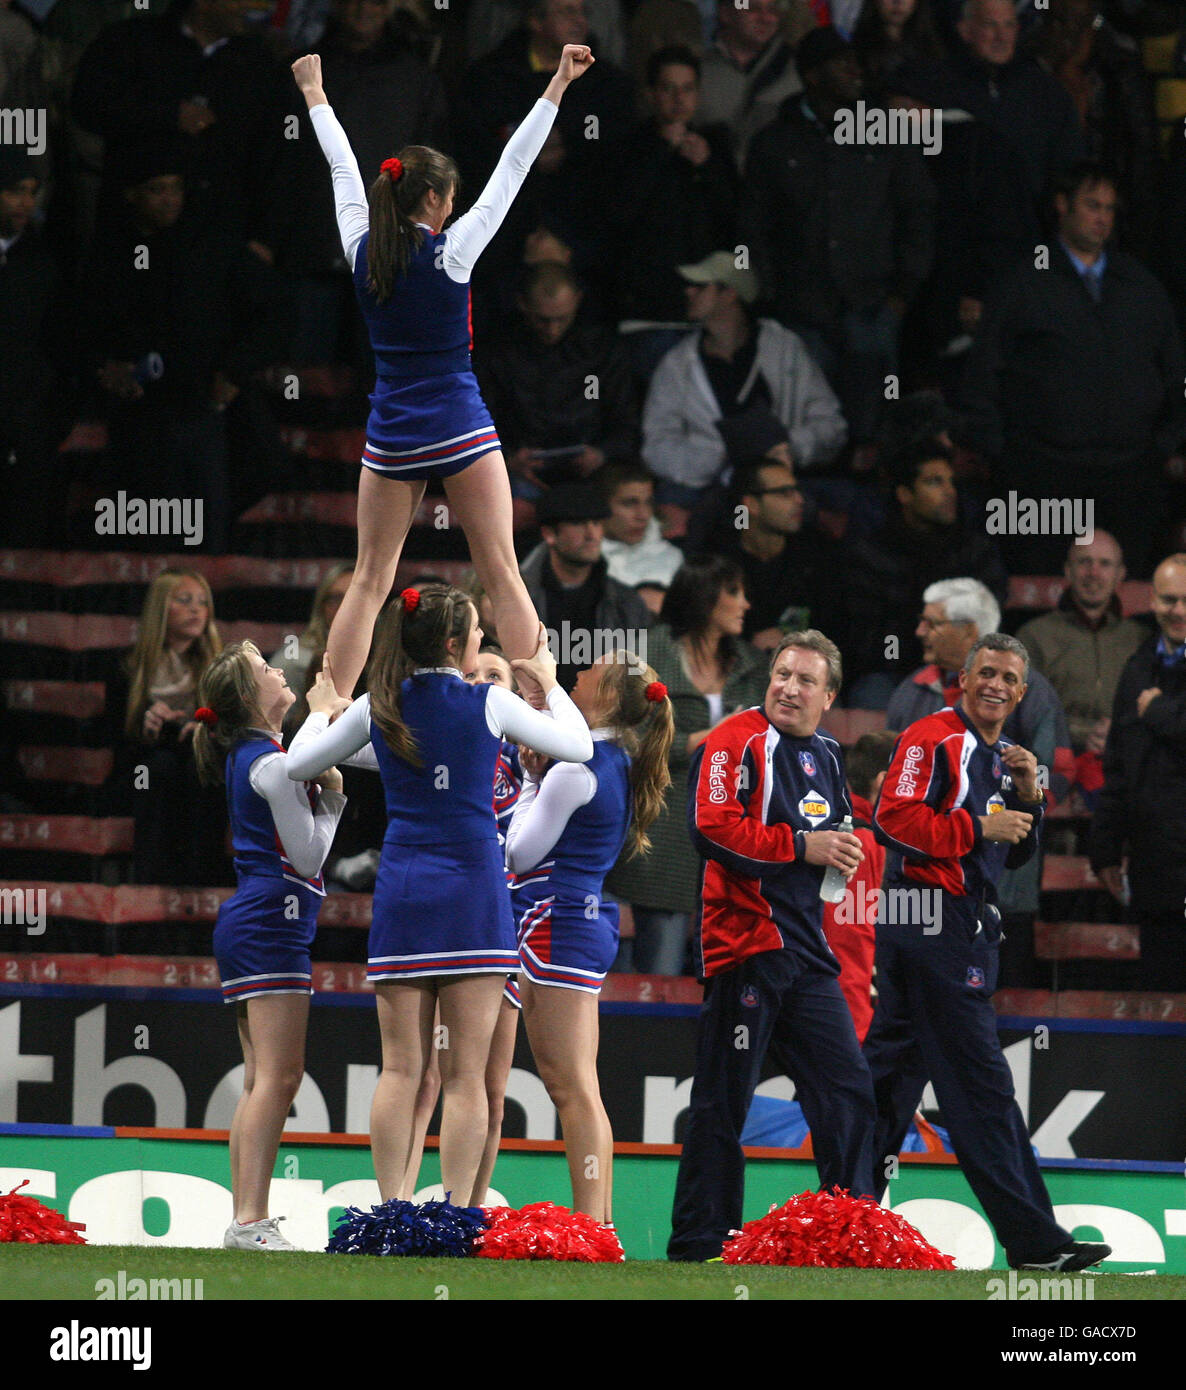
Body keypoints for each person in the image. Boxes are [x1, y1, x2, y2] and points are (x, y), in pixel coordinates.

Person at [291, 43, 595, 701]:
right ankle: (543, 697)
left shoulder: (359, 248)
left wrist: (315, 94)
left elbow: (341, 166)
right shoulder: (453, 254)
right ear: (432, 198)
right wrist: (559, 86)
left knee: (371, 578)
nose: (456, 210)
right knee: (503, 570)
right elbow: (515, 167)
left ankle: (327, 705)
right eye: (450, 200)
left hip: (394, 430)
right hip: (457, 422)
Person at [284, 583, 594, 1207]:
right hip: (475, 894)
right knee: (465, 1077)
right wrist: (553, 684)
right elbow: (580, 748)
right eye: (477, 631)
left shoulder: (382, 703)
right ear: (455, 643)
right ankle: (454, 1214)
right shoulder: (491, 703)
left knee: (399, 1068)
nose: (482, 640)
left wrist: (323, 707)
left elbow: (297, 764)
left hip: (403, 889)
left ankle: (391, 1211)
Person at [865, 633, 1110, 1272]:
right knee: (981, 1088)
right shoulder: (931, 736)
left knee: (889, 1082)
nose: (996, 685)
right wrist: (979, 825)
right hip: (931, 924)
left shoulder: (1004, 755)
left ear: (1022, 693)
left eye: (1009, 677)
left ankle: (843, 1215)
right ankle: (1036, 1244)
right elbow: (891, 820)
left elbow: (1014, 851)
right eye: (986, 673)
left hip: (950, 926)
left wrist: (1029, 796)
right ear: (964, 679)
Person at [668, 630, 878, 1261]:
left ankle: (853, 1233)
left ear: (829, 695)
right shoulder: (734, 739)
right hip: (746, 943)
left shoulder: (831, 757)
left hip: (808, 950)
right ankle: (702, 1244)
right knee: (723, 1099)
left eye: (805, 680)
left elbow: (834, 841)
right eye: (782, 674)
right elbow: (709, 830)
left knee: (848, 1091)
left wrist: (842, 852)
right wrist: (798, 846)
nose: (789, 687)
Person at [192, 640, 348, 1251]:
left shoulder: (269, 756)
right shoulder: (273, 765)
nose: (278, 670)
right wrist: (333, 797)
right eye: (265, 670)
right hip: (268, 925)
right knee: (279, 1077)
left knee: (265, 1077)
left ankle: (246, 1220)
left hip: (261, 922)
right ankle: (250, 1220)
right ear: (249, 698)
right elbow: (308, 855)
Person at [507, 652, 674, 1222]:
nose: (574, 676)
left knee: (571, 1086)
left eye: (586, 673)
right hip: (577, 919)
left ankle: (595, 1225)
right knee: (576, 1084)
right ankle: (598, 1224)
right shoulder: (616, 759)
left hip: (562, 923)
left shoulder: (577, 770)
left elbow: (520, 851)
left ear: (603, 695)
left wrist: (530, 781)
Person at [959, 162, 1186, 577]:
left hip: (1130, 477)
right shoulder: (1023, 282)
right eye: (1092, 205)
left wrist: (1164, 446)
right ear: (1062, 206)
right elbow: (983, 375)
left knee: (1126, 590)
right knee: (1043, 585)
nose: (1103, 217)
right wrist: (1003, 453)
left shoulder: (1141, 285)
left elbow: (1175, 372)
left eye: (1110, 208)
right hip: (1043, 476)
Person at [400, 645, 525, 1206]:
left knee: (488, 1085)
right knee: (424, 1075)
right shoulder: (441, 745)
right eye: (475, 673)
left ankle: (469, 1210)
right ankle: (398, 1205)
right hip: (453, 908)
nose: (481, 682)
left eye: (496, 676)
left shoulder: (534, 761)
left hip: (507, 918)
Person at [606, 556, 770, 976]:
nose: (745, 604)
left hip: (728, 828)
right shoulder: (648, 654)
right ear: (702, 597)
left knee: (715, 973)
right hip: (657, 827)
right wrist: (705, 740)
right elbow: (625, 737)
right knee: (653, 971)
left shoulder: (752, 666)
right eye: (733, 593)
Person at [642, 250, 847, 514]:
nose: (689, 292)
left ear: (730, 294)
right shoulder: (677, 364)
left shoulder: (784, 348)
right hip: (708, 489)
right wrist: (717, 456)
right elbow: (656, 445)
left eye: (701, 286)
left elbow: (831, 424)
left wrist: (786, 447)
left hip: (780, 484)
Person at [842, 439, 1008, 706]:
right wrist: (920, 651)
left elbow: (989, 622)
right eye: (934, 482)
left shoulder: (976, 552)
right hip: (894, 674)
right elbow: (866, 641)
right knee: (873, 691)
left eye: (951, 482)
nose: (949, 491)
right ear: (905, 494)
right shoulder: (872, 554)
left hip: (964, 670)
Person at [1089, 553, 1186, 990]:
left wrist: (1165, 715)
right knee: (1160, 994)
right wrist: (1106, 848)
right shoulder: (1137, 667)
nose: (1178, 610)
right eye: (1168, 599)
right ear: (1151, 600)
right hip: (1157, 865)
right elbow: (1118, 765)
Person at [113, 569, 229, 888]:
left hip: (198, 766)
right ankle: (152, 885)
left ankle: (202, 882)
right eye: (185, 600)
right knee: (157, 769)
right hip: (144, 770)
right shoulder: (128, 667)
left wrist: (203, 731)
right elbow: (113, 740)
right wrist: (144, 727)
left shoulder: (221, 668)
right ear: (160, 608)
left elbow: (235, 731)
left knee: (201, 769)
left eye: (203, 603)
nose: (196, 610)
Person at [1015, 532, 1146, 795]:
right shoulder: (1034, 636)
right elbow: (1022, 712)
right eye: (1084, 562)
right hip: (1053, 763)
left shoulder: (1141, 640)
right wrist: (1083, 734)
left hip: (1126, 763)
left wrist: (1120, 733)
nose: (1094, 572)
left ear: (1120, 574)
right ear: (1068, 571)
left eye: (1105, 564)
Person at [518, 482, 653, 692]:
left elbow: (638, 679)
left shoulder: (626, 603)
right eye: (579, 524)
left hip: (603, 716)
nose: (592, 534)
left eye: (597, 523)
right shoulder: (520, 596)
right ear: (549, 534)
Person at [823, 728, 898, 1042]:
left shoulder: (840, 821)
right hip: (841, 1012)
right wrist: (857, 1030)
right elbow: (847, 940)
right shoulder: (860, 841)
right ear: (882, 783)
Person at [270, 562, 355, 697]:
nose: (345, 606)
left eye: (353, 598)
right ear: (322, 606)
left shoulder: (383, 656)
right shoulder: (295, 662)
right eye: (337, 598)